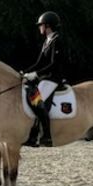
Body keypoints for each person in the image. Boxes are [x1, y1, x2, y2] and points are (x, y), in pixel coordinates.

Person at [21, 11, 64, 147]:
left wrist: (36, 75)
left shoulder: (57, 40)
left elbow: (53, 64)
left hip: (53, 77)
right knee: (31, 97)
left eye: (41, 25)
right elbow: (39, 63)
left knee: (36, 101)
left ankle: (46, 136)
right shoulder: (47, 41)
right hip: (45, 78)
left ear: (47, 26)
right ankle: (33, 135)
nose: (39, 27)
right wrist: (24, 72)